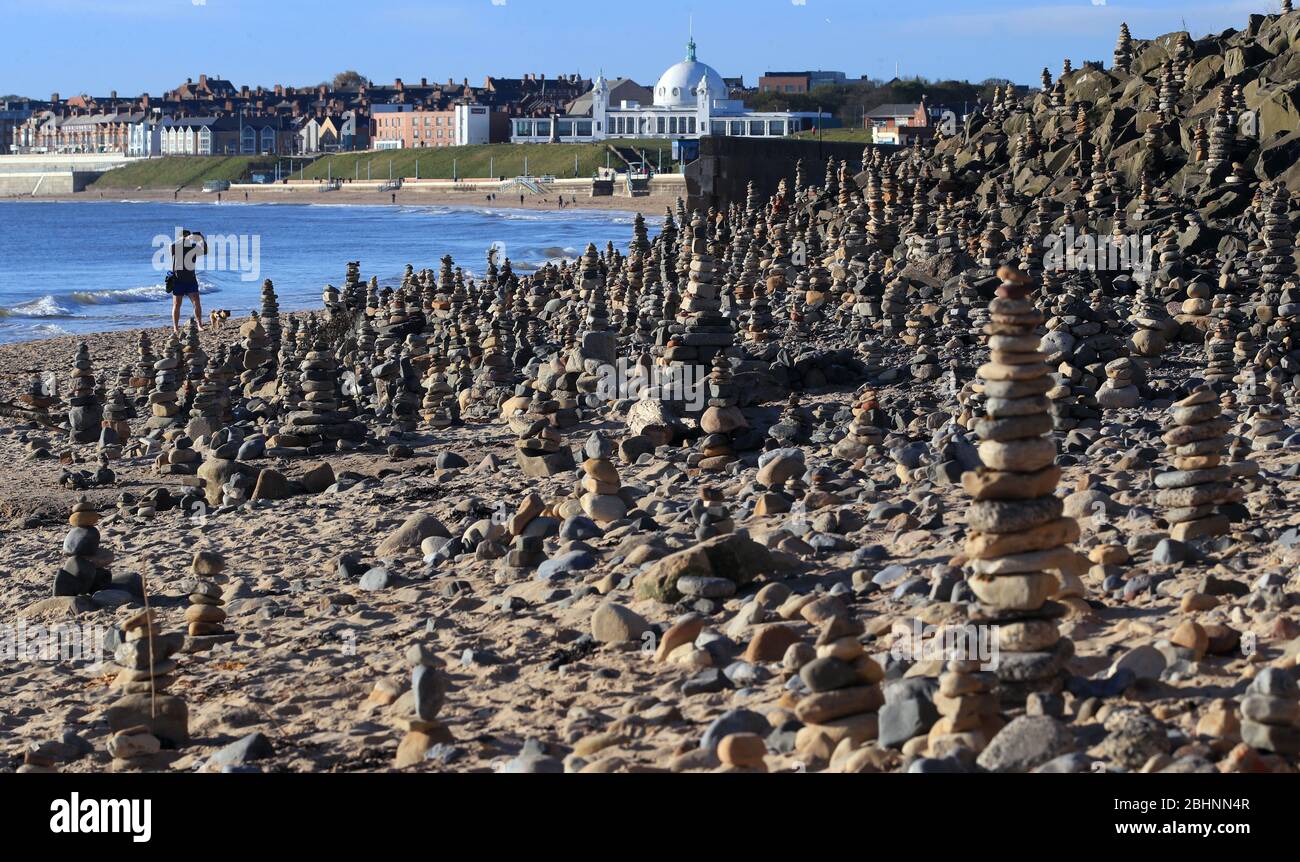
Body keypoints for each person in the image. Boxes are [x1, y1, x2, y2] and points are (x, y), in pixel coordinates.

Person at [168, 229, 206, 335]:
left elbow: (205, 251)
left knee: (196, 302)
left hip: (191, 280)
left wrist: (201, 238)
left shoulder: (193, 248)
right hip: (178, 280)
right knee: (176, 304)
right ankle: (175, 327)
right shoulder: (176, 247)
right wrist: (183, 239)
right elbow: (171, 246)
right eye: (185, 237)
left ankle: (199, 325)